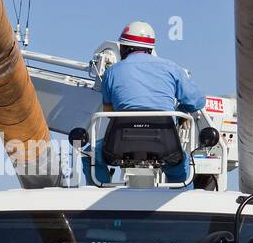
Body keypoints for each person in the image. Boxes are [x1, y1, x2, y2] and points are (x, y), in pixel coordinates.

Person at [88, 20, 206, 185]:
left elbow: (109, 111)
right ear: (150, 49)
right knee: (181, 167)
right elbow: (198, 101)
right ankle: (181, 199)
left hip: (120, 146)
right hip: (165, 146)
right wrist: (182, 111)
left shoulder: (112, 72)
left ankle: (100, 194)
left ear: (123, 48)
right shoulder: (171, 68)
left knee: (89, 153)